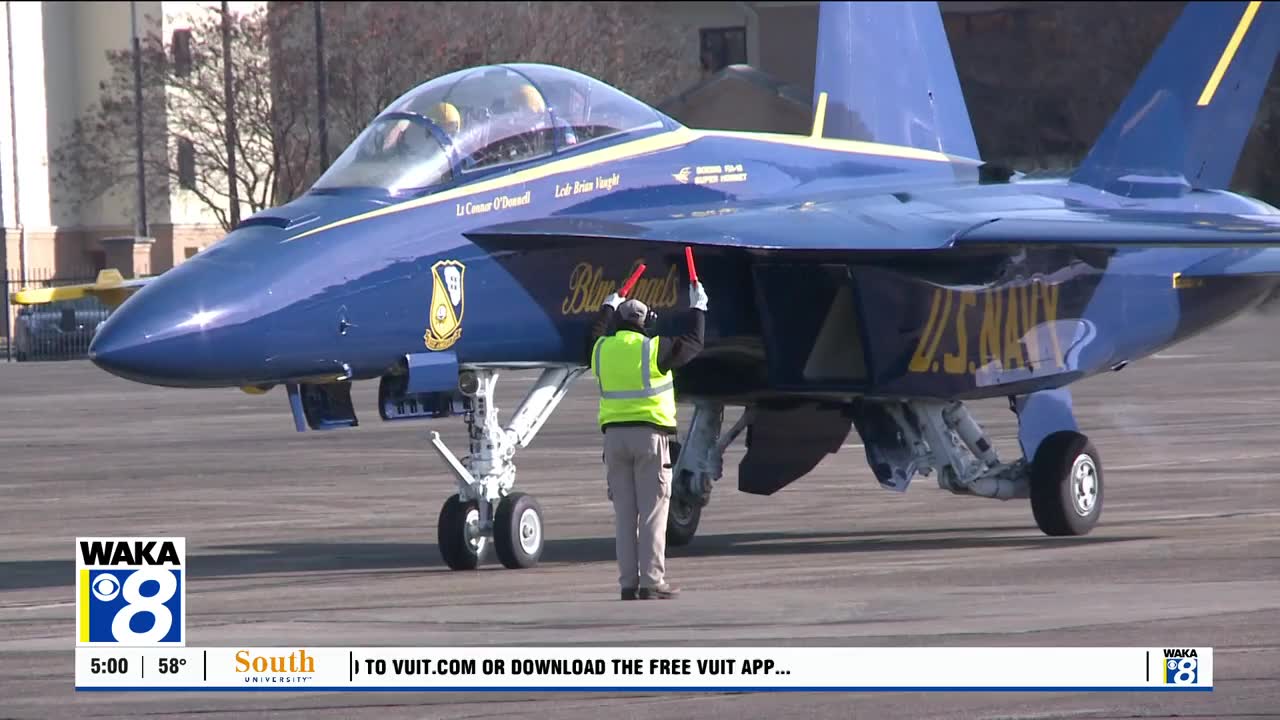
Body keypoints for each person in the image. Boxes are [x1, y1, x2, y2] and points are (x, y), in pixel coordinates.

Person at [587, 279, 708, 600]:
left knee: (625, 516)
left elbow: (595, 333)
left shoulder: (601, 350)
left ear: (618, 322)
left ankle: (628, 584)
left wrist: (608, 305)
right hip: (649, 439)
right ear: (646, 322)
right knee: (653, 512)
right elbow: (694, 343)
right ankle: (652, 582)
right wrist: (699, 307)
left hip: (614, 441)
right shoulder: (654, 349)